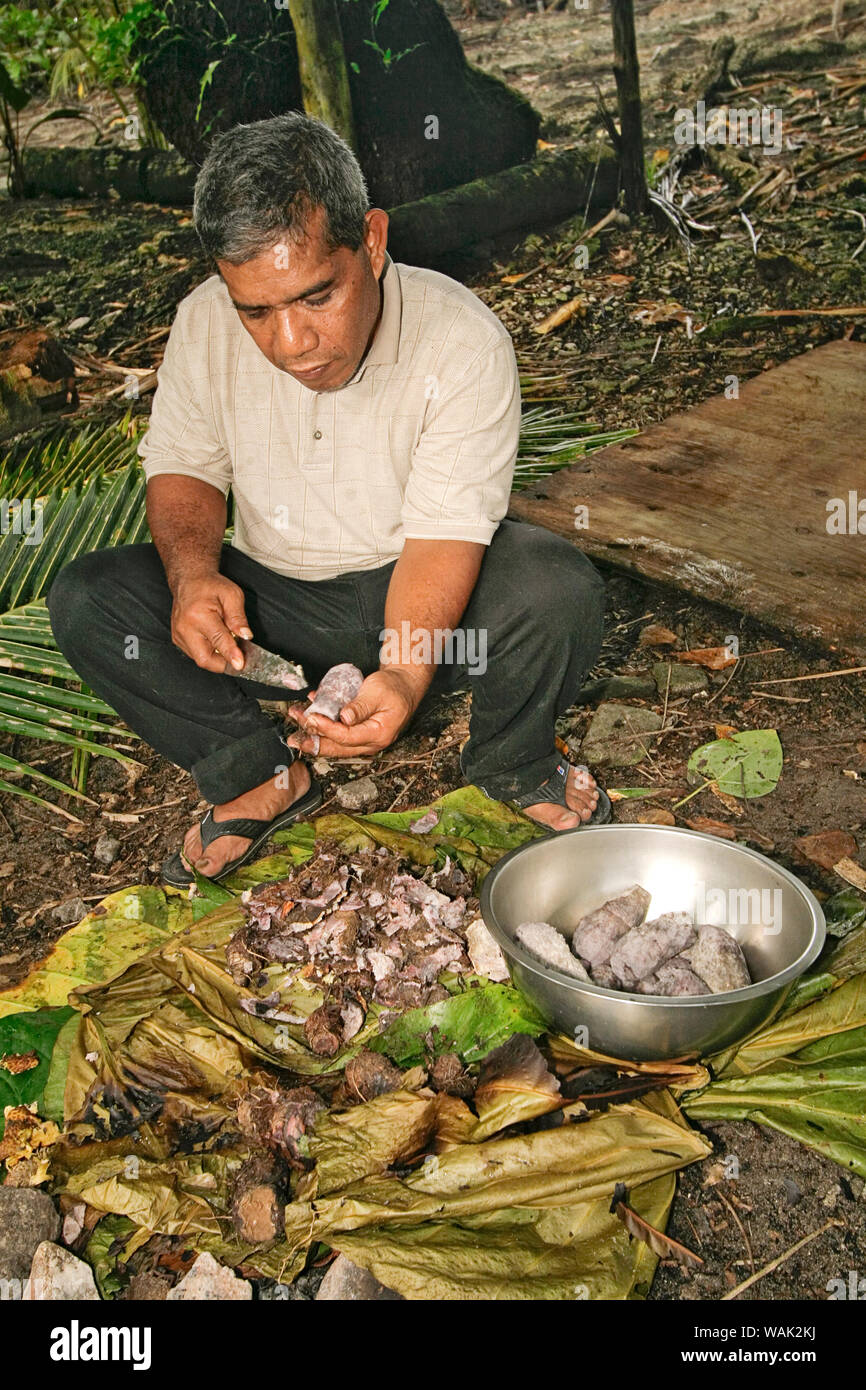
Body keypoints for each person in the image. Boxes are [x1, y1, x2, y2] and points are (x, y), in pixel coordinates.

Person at [47, 113, 608, 887]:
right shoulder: (200, 323)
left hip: (420, 596)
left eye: (316, 297)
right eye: (255, 310)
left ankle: (513, 764)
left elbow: (445, 537)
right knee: (87, 598)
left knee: (555, 588)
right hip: (268, 612)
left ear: (371, 242)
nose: (289, 343)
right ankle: (257, 775)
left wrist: (406, 676)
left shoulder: (461, 340)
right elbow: (185, 469)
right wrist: (193, 579)